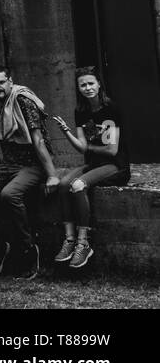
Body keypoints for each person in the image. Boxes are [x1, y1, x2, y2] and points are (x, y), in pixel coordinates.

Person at [51, 68, 130, 269]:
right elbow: (80, 147)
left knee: (77, 185)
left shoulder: (110, 108)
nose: (87, 88)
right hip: (94, 164)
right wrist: (67, 132)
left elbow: (112, 150)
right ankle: (69, 239)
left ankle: (83, 242)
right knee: (62, 185)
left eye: (91, 83)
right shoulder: (81, 110)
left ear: (99, 84)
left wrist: (89, 146)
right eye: (83, 85)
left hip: (115, 166)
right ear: (78, 88)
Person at [0, 65, 58, 278]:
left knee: (9, 194)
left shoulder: (22, 100)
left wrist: (52, 175)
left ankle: (28, 248)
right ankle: (0, 245)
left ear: (10, 80)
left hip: (33, 164)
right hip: (8, 163)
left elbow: (38, 140)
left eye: (0, 82)